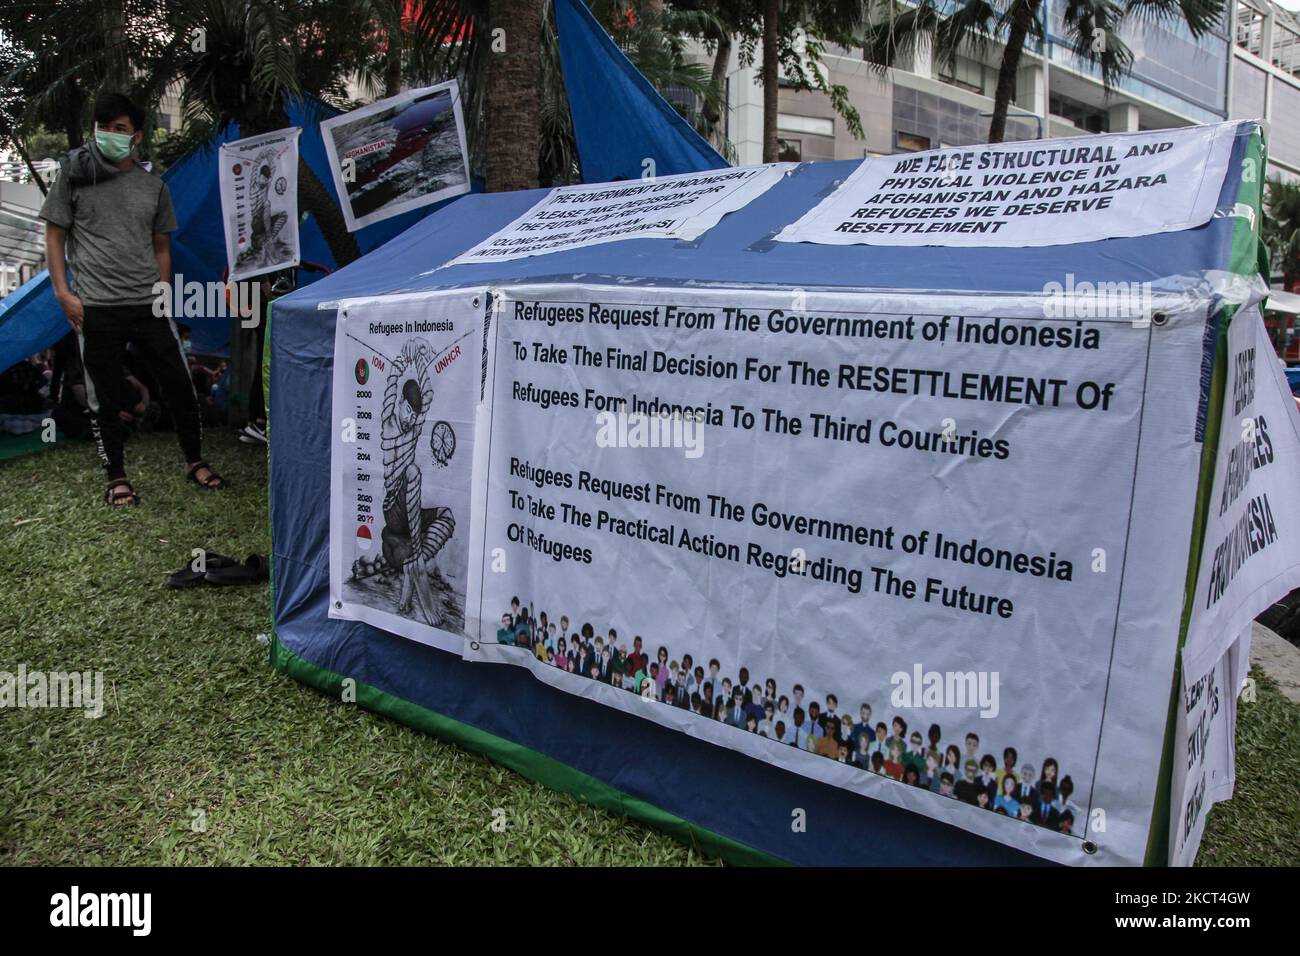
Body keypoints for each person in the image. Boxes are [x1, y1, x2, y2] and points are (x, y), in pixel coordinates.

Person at [41, 92, 226, 505]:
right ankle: (116, 477)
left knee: (180, 383)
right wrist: (62, 293)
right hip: (96, 307)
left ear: (136, 136)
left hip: (148, 305)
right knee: (103, 396)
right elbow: (54, 236)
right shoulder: (74, 177)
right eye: (103, 127)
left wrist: (162, 293)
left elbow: (162, 247)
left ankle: (195, 460)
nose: (109, 135)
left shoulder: (153, 188)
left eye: (119, 129)